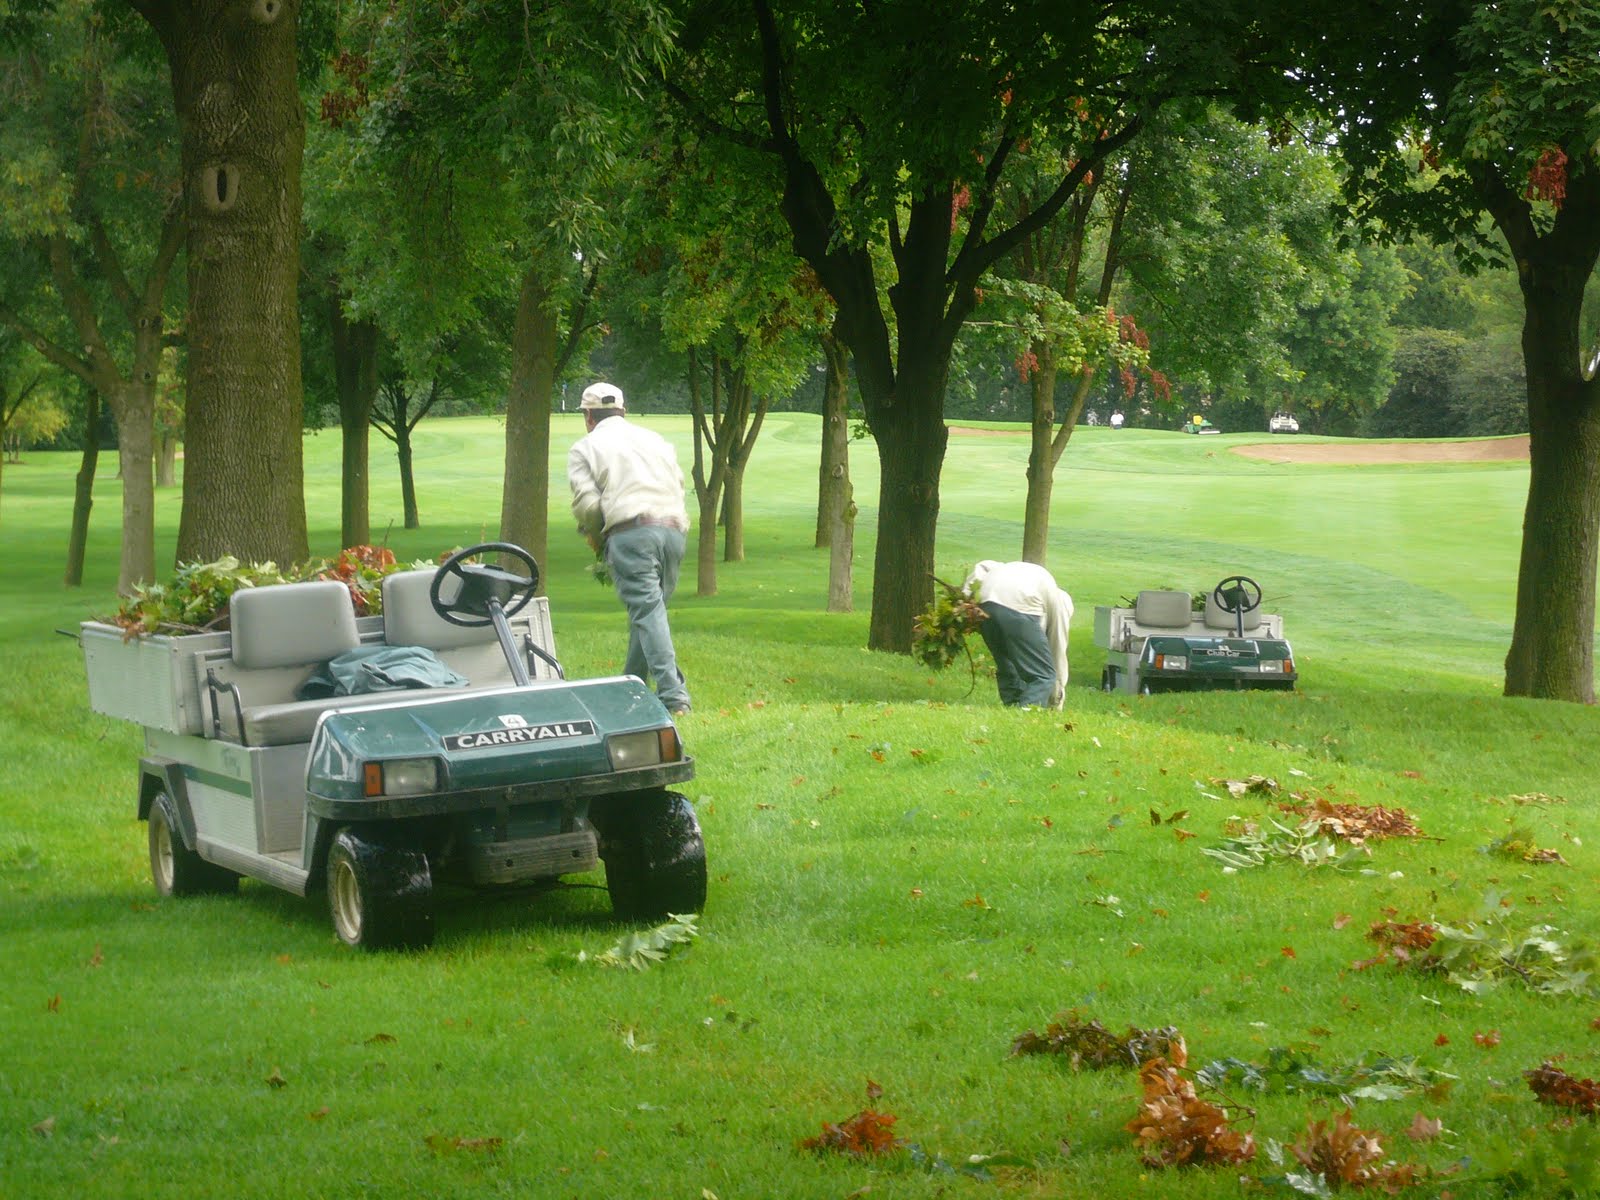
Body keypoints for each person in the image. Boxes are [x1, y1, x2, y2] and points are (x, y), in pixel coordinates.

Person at [567, 382, 692, 714]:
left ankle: (674, 697)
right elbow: (679, 484)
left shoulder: (585, 447)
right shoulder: (656, 440)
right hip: (675, 531)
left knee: (648, 613)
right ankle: (632, 685)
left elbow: (589, 506)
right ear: (622, 411)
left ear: (588, 416)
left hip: (631, 533)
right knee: (650, 614)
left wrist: (595, 536)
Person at [963, 560, 1074, 709]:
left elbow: (982, 566)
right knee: (1043, 675)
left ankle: (1011, 710)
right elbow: (1057, 648)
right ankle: (1027, 714)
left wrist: (965, 596)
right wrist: (1056, 700)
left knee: (1007, 665)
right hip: (1019, 605)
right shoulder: (1059, 602)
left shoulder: (1016, 570)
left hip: (984, 604)